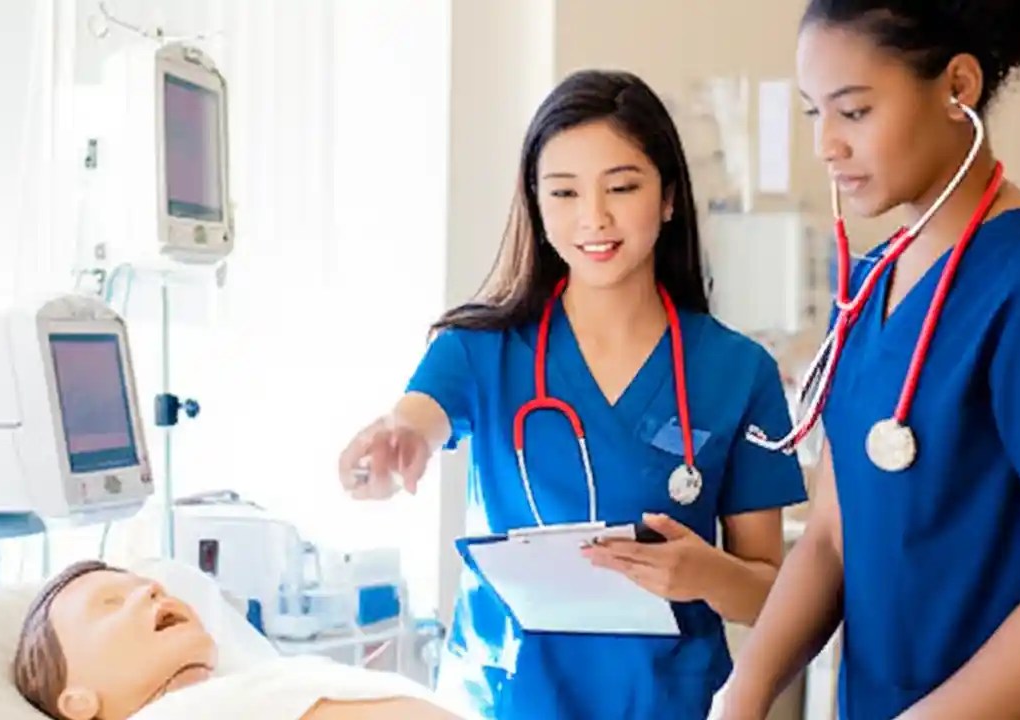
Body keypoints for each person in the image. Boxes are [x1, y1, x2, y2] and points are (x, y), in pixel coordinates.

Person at [717, 2, 1020, 719]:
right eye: (811, 113)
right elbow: (831, 537)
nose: (826, 145)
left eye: (853, 111)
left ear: (957, 88)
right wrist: (745, 690)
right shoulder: (867, 288)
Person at [336, 69, 807, 719]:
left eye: (622, 187)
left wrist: (704, 576)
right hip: (505, 701)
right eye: (563, 192)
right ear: (535, 203)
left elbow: (774, 595)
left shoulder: (738, 371)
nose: (594, 218)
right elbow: (418, 421)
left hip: (667, 703)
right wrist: (393, 444)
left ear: (669, 197)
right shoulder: (479, 350)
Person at [11, 560, 469, 720]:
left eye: (152, 588)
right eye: (110, 603)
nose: (151, 590)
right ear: (78, 701)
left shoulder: (254, 681)